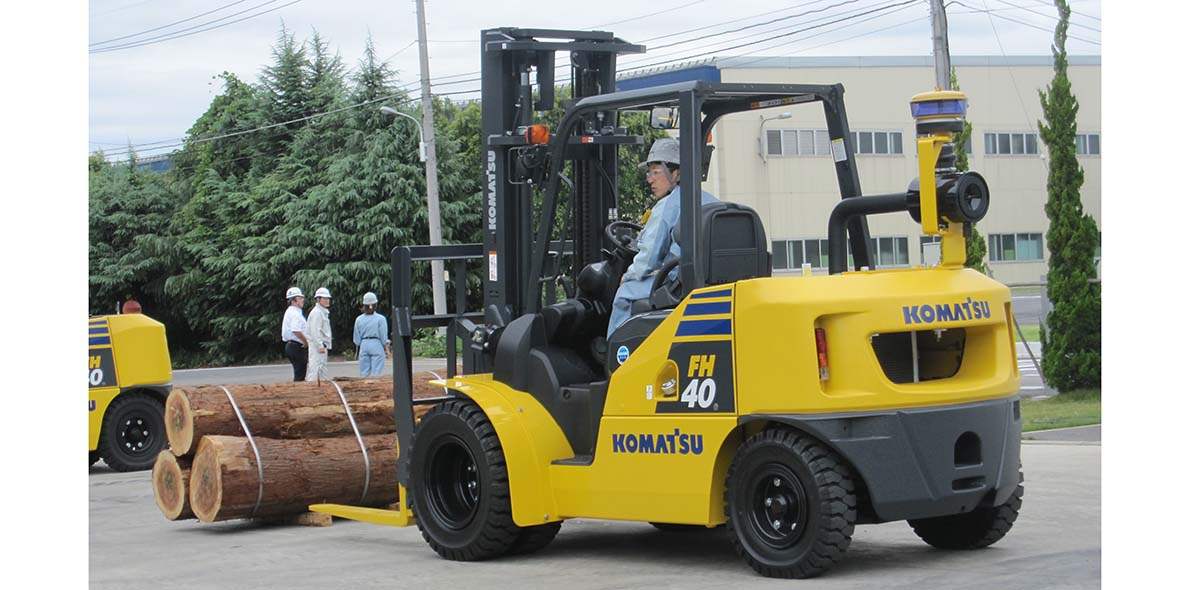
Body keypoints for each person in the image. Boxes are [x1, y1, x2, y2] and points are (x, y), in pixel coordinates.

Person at [607, 138, 718, 337]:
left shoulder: (669, 204)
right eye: (649, 173)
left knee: (624, 294)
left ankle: (616, 358)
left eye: (656, 172)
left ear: (676, 173)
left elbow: (649, 257)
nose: (650, 179)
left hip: (677, 283)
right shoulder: (709, 199)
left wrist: (628, 275)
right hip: (707, 279)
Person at [353, 292, 390, 377]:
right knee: (376, 373)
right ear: (375, 304)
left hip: (363, 345)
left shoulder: (359, 319)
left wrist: (360, 344)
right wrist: (385, 346)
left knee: (364, 373)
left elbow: (356, 339)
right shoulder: (381, 319)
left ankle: (363, 388)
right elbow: (383, 337)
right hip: (376, 344)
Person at [305, 287, 333, 381]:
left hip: (322, 346)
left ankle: (321, 391)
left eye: (328, 298)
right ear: (318, 299)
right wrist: (319, 345)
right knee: (315, 370)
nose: (327, 300)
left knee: (322, 370)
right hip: (317, 347)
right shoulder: (317, 313)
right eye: (325, 298)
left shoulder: (322, 312)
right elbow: (315, 331)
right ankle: (312, 390)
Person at [280, 287, 308, 382]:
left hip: (292, 346)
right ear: (293, 301)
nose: (302, 300)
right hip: (296, 346)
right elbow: (296, 330)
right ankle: (297, 392)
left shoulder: (292, 312)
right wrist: (306, 341)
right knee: (300, 373)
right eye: (300, 298)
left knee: (299, 372)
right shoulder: (295, 313)